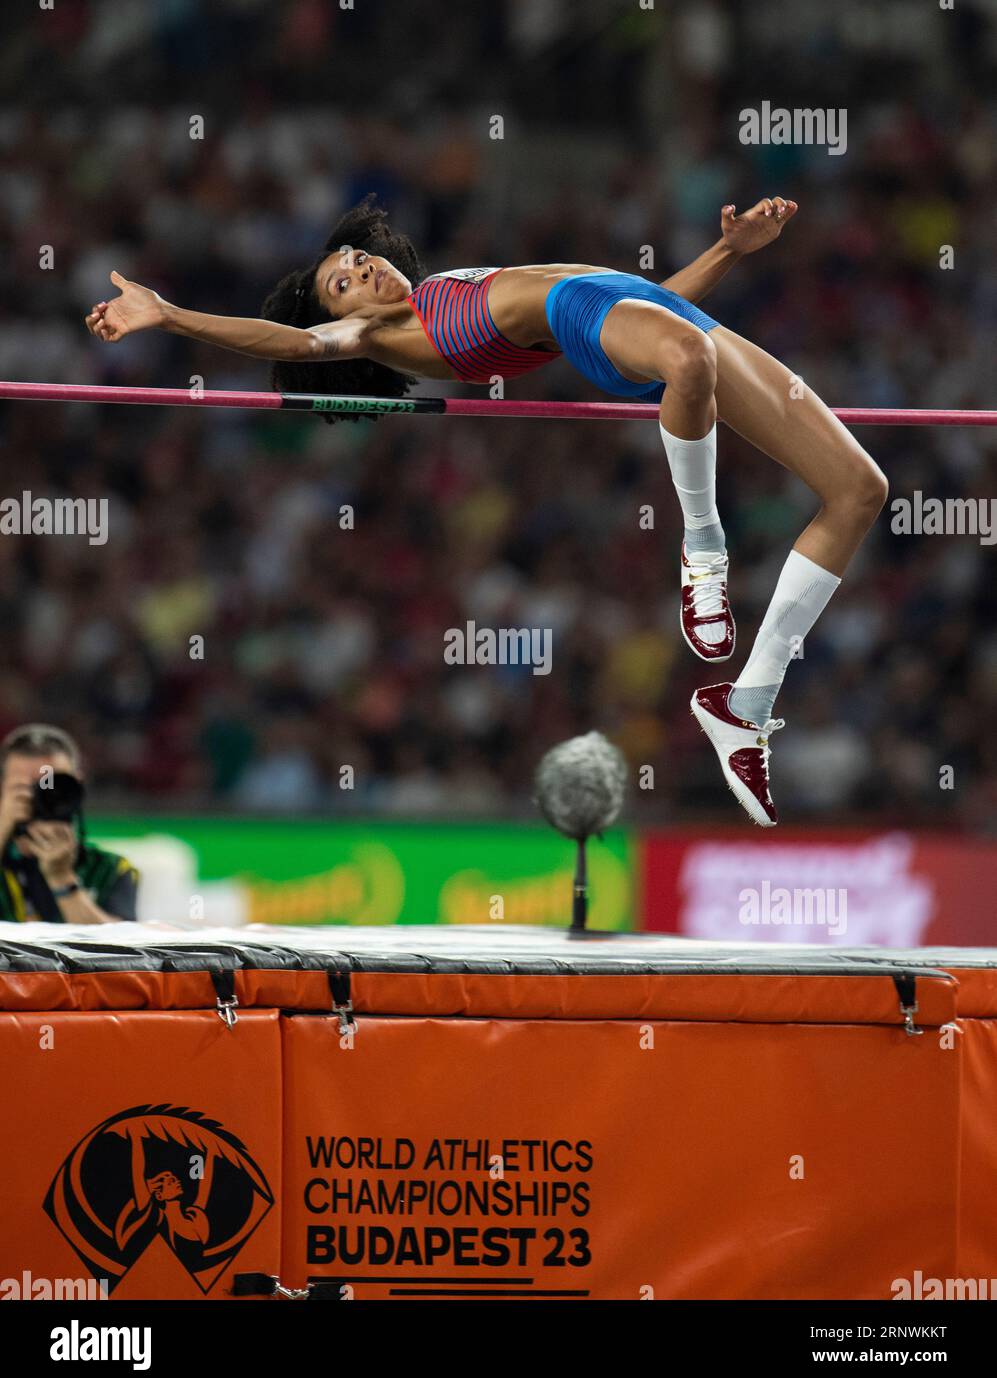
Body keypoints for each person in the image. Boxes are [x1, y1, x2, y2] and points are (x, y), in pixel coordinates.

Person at [85, 195, 888, 827]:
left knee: (859, 489)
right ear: (338, 316)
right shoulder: (369, 333)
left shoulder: (441, 290)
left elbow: (644, 312)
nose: (357, 268)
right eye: (338, 280)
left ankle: (744, 706)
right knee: (688, 355)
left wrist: (726, 252)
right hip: (629, 326)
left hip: (649, 316)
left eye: (355, 257)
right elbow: (283, 343)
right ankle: (702, 553)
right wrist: (171, 314)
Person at [0, 724, 138, 922]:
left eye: (52, 786)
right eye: (25, 788)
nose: (40, 797)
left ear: (76, 788)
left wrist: (62, 880)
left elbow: (122, 949)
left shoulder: (108, 869)